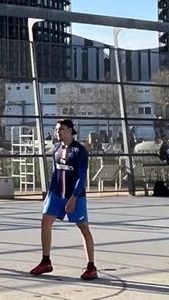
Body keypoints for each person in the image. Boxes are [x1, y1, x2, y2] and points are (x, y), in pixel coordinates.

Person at [29, 118, 97, 281]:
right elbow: (55, 173)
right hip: (57, 194)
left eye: (61, 129)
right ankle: (46, 261)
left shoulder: (79, 151)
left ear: (70, 130)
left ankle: (91, 266)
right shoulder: (56, 149)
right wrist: (49, 194)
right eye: (56, 129)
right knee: (45, 220)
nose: (57, 132)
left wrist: (73, 198)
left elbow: (82, 177)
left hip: (75, 196)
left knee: (83, 228)